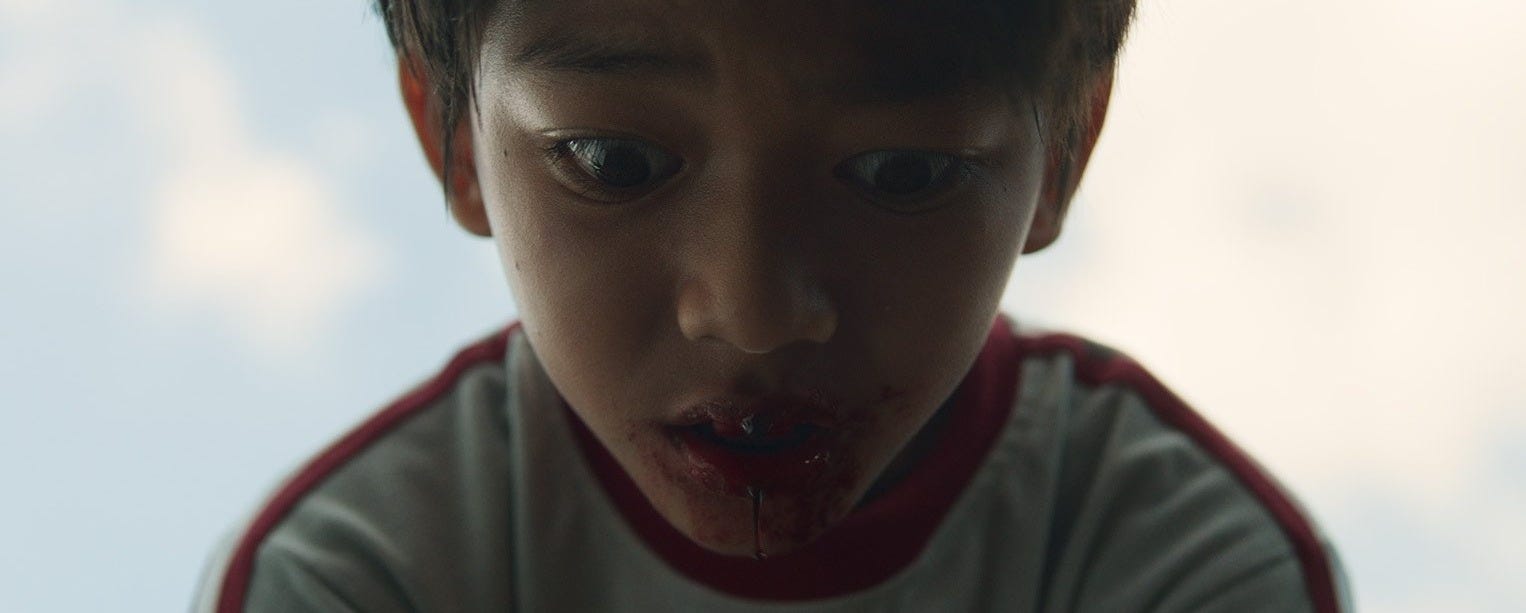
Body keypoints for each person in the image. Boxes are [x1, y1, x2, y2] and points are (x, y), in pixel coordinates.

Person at [195, 0, 1350, 610]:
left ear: (1064, 152)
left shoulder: (1173, 563)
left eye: (902, 171)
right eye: (613, 160)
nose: (749, 311)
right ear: (451, 137)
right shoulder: (360, 579)